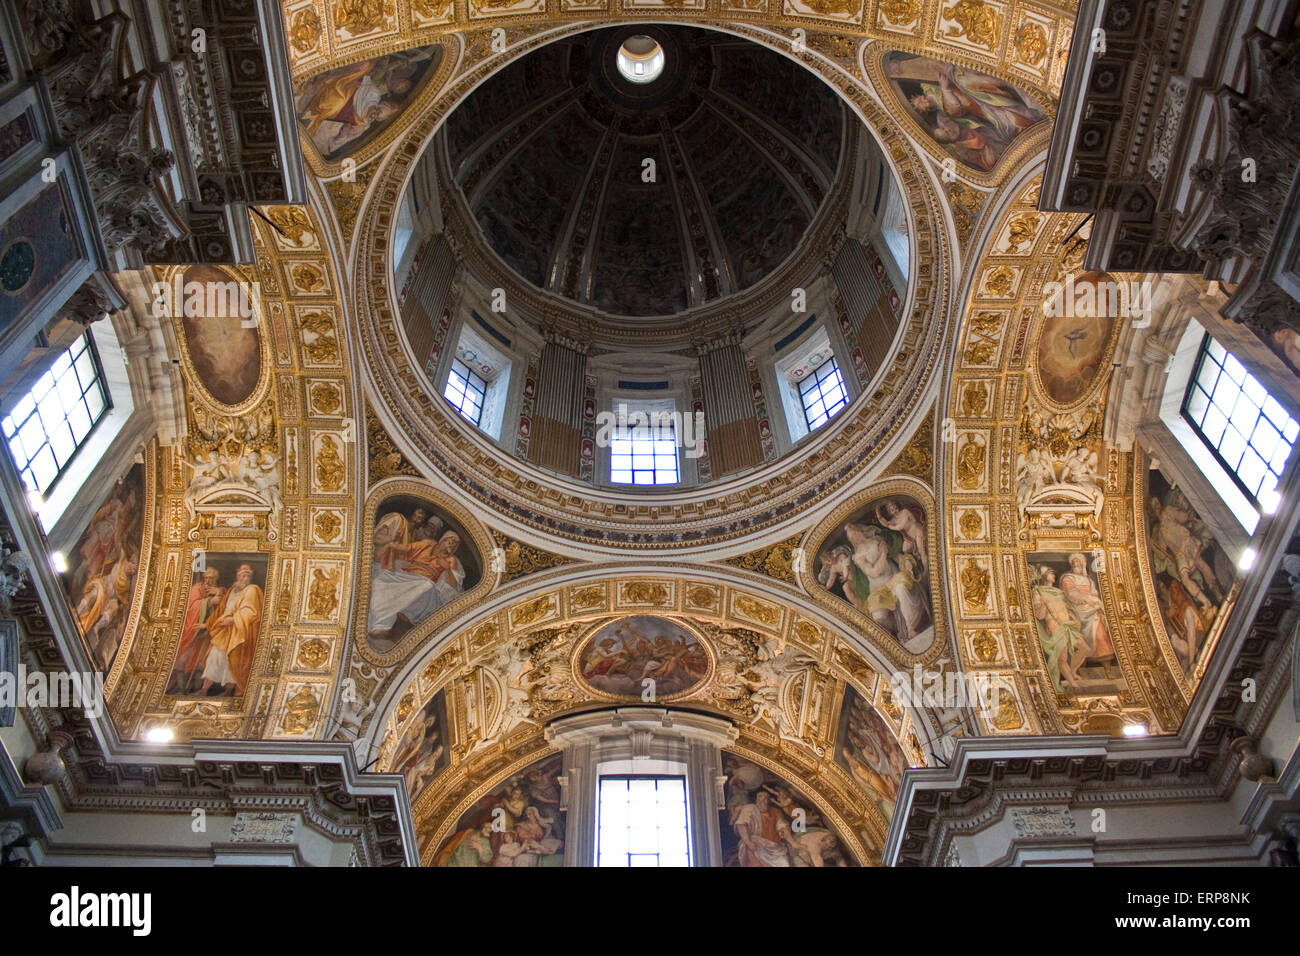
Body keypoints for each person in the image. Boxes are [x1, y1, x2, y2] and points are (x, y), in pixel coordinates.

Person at [199, 563, 262, 696]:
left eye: (246, 576)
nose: (243, 578)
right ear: (237, 576)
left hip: (239, 631)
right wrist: (207, 624)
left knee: (232, 661)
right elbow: (221, 609)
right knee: (214, 658)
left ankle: (228, 691)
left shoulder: (252, 590)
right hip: (224, 630)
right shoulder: (232, 590)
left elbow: (251, 611)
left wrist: (233, 620)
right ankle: (204, 689)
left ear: (250, 578)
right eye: (241, 575)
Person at [1030, 565, 1084, 690]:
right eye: (1050, 573)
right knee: (1062, 657)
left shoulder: (1059, 592)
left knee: (1084, 648)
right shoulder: (1038, 592)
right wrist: (1042, 603)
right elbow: (1040, 615)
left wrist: (1073, 617)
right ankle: (1072, 683)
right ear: (1044, 576)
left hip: (1067, 625)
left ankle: (1072, 672)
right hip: (1054, 626)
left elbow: (1066, 608)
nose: (1054, 575)